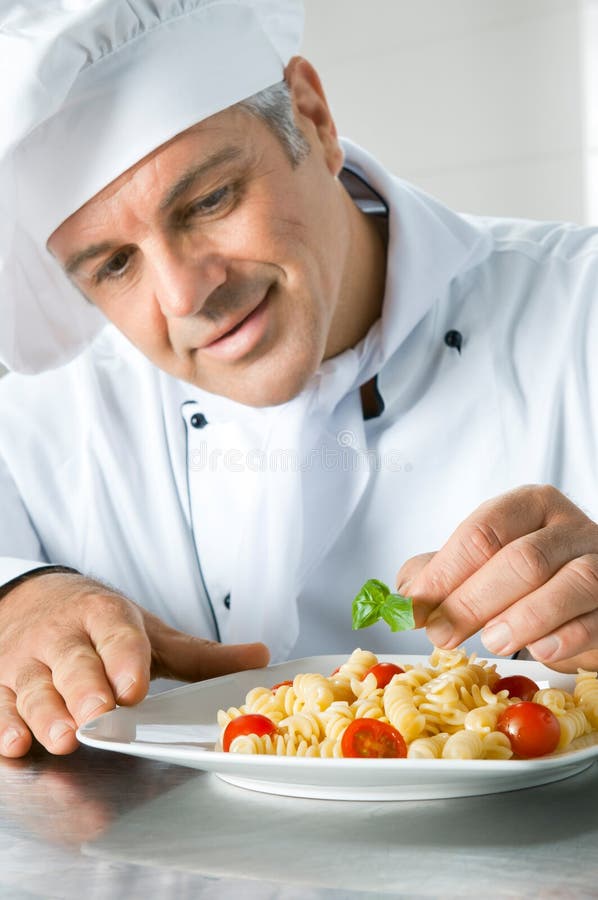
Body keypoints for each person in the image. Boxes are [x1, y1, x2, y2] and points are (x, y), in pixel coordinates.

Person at [1, 0, 598, 761]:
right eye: (116, 265)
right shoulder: (52, 413)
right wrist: (17, 599)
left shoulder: (583, 311)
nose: (185, 295)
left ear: (313, 118)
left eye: (211, 200)